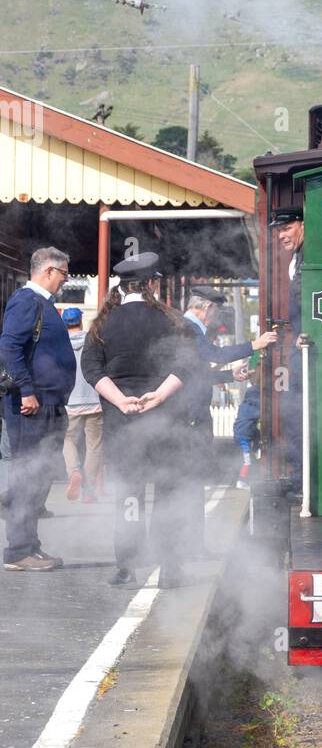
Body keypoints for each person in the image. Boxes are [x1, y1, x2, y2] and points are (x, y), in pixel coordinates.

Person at [81, 252, 196, 587]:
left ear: (122, 287)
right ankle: (170, 569)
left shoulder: (104, 323)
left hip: (122, 423)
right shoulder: (173, 321)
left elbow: (92, 370)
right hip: (165, 421)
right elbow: (187, 365)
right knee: (168, 493)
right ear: (150, 284)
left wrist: (120, 400)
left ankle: (126, 567)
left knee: (129, 494)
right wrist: (158, 396)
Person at [0, 247, 76, 571]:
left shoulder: (42, 304)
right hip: (32, 406)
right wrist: (28, 391)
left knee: (40, 476)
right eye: (64, 274)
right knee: (27, 476)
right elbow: (9, 346)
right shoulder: (27, 301)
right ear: (48, 271)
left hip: (48, 404)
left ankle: (30, 545)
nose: (65, 280)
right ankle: (18, 551)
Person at [181, 287, 276, 546]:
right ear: (207, 307)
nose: (215, 318)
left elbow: (198, 374)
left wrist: (229, 377)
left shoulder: (190, 328)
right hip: (191, 416)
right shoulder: (189, 328)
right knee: (193, 478)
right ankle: (192, 541)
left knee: (194, 478)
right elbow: (215, 355)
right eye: (215, 311)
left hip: (193, 413)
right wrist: (254, 345)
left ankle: (193, 540)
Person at [271, 208, 304, 490]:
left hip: (311, 345)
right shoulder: (297, 259)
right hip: (300, 344)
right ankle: (299, 474)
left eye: (287, 228)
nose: (281, 235)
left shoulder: (315, 256)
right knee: (292, 408)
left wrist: (310, 330)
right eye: (278, 231)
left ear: (302, 225)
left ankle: (302, 477)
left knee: (298, 410)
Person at [61, 307, 104, 502]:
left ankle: (74, 472)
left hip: (70, 401)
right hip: (94, 399)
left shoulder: (59, 343)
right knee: (94, 445)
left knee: (68, 439)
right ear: (80, 320)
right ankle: (88, 490)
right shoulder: (92, 339)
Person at [231, 360, 260, 490]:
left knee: (248, 458)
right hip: (244, 438)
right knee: (247, 461)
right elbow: (260, 414)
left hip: (241, 436)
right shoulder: (253, 408)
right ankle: (241, 481)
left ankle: (245, 479)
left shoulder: (244, 406)